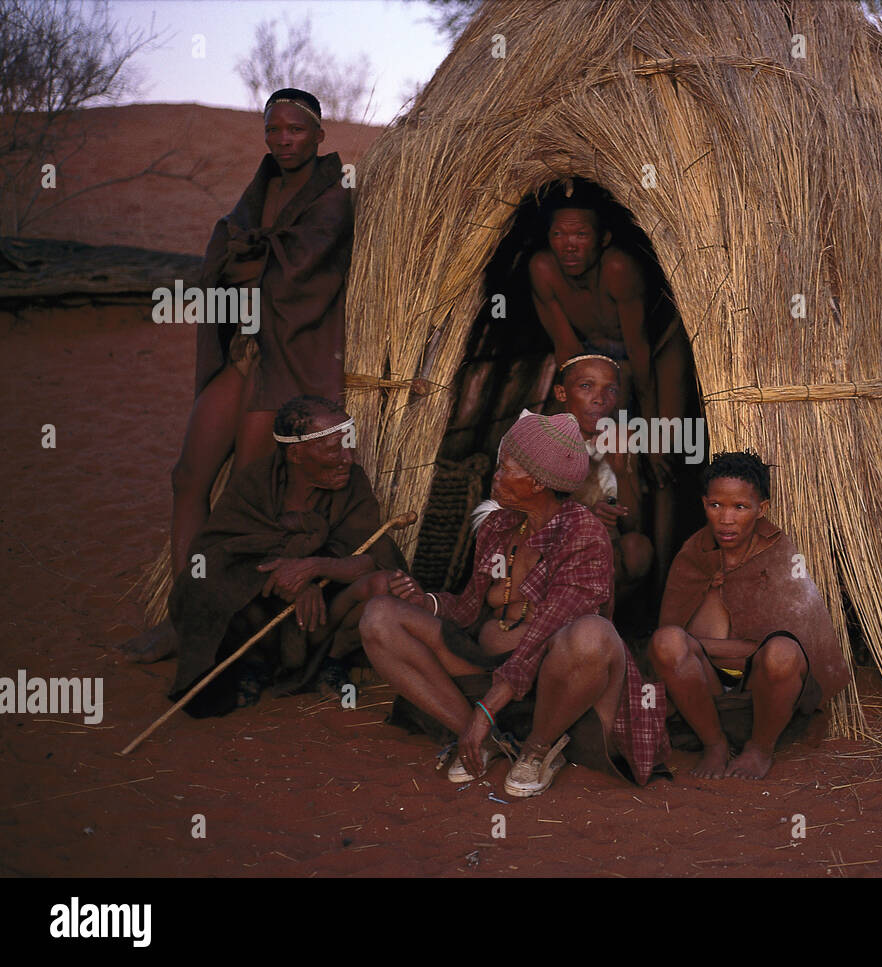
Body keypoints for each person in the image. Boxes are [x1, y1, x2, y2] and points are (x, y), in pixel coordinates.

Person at [124, 89, 353, 665]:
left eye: (295, 130)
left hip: (284, 364)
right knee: (187, 479)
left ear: (319, 134)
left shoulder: (332, 197)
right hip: (245, 353)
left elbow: (303, 275)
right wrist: (248, 260)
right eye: (273, 129)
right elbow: (229, 260)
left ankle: (228, 628)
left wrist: (255, 262)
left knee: (246, 500)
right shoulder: (260, 193)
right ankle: (185, 615)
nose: (282, 140)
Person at [360, 412, 668, 797]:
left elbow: (544, 634)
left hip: (556, 681)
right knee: (379, 617)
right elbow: (471, 608)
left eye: (505, 467)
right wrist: (429, 602)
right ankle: (479, 741)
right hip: (489, 667)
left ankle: (538, 749)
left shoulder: (583, 533)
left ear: (538, 482)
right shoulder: (498, 525)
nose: (495, 475)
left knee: (593, 634)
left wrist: (486, 709)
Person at [167, 397, 405, 717]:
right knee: (204, 582)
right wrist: (281, 578)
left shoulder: (354, 485)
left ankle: (330, 661)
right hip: (261, 617)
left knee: (383, 584)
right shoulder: (255, 484)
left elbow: (372, 555)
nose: (348, 458)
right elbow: (219, 551)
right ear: (296, 454)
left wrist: (314, 567)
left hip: (322, 622)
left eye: (349, 444)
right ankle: (253, 663)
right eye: (335, 449)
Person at [649, 451, 851, 780]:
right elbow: (669, 647)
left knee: (782, 654)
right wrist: (705, 648)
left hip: (766, 699)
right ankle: (714, 744)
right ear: (704, 504)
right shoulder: (694, 554)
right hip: (705, 695)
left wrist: (703, 646)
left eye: (740, 507)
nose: (726, 519)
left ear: (762, 509)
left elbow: (796, 651)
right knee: (666, 642)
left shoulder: (779, 554)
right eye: (716, 505)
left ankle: (760, 749)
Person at [527, 189, 692, 586]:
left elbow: (640, 354)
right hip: (595, 356)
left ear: (602, 240)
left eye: (580, 235)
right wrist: (571, 422)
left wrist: (650, 436)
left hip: (655, 349)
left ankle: (663, 586)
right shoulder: (543, 270)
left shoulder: (618, 268)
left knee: (662, 455)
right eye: (559, 235)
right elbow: (567, 353)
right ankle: (591, 567)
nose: (569, 245)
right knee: (579, 445)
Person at [470, 354, 654, 599]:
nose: (599, 399)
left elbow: (633, 525)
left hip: (585, 549)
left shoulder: (615, 441)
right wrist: (585, 514)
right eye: (586, 386)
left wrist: (622, 471)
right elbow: (513, 505)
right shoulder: (532, 432)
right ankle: (534, 607)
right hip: (533, 540)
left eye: (610, 389)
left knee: (636, 550)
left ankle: (586, 614)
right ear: (561, 393)